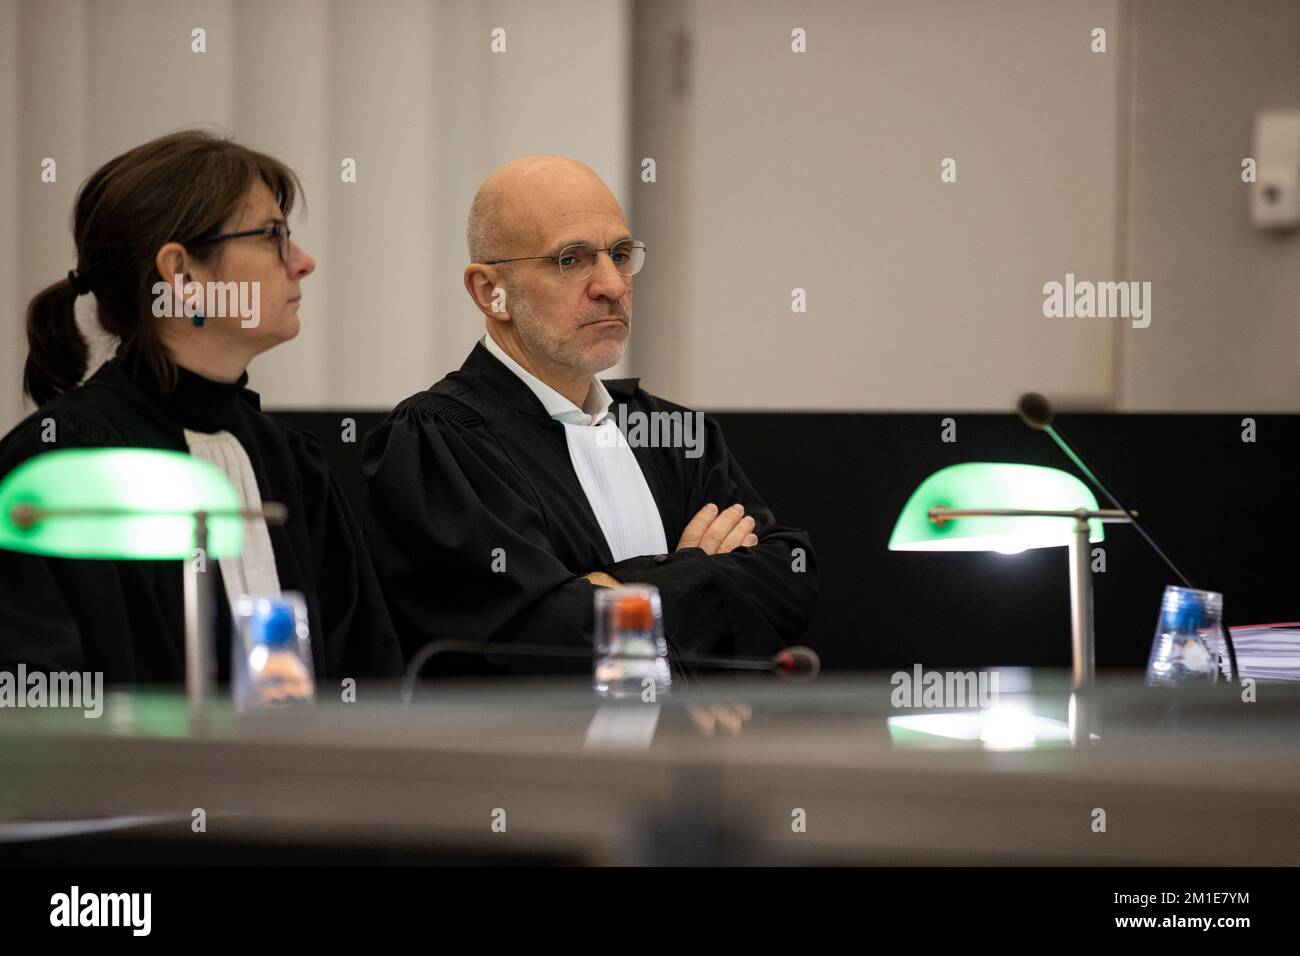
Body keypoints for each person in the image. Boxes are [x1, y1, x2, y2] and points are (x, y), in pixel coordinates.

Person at [362, 155, 819, 672]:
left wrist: (612, 587)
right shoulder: (439, 439)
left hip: (679, 748)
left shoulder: (671, 432)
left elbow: (789, 579)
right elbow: (539, 641)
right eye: (571, 259)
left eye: (620, 254)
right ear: (491, 292)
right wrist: (697, 571)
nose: (613, 286)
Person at [0, 130, 402, 685]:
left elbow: (369, 683)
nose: (303, 262)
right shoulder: (61, 466)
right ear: (183, 274)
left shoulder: (293, 464)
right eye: (273, 236)